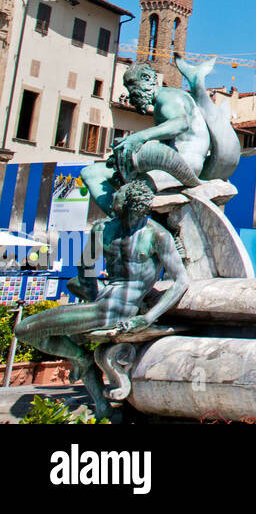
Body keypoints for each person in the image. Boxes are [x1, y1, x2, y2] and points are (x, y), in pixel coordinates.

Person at [17, 178, 189, 418]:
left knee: (26, 329)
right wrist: (93, 296)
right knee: (30, 329)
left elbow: (181, 281)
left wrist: (148, 318)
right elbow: (84, 272)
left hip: (122, 310)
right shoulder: (101, 228)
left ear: (128, 202)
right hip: (101, 306)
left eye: (118, 194)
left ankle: (82, 361)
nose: (112, 198)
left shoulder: (156, 235)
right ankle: (93, 387)